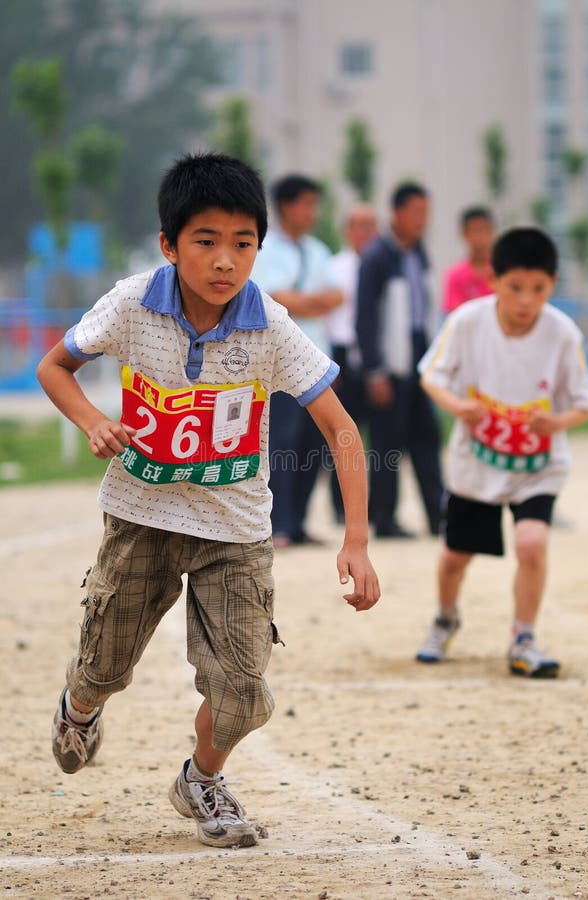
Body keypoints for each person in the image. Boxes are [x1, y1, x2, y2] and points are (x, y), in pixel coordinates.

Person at [37, 152, 380, 849]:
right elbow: (56, 365)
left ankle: (201, 778)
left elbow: (342, 430)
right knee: (106, 666)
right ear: (169, 245)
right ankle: (79, 706)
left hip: (236, 529)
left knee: (244, 691)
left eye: (243, 243)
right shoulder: (133, 303)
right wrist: (93, 422)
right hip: (141, 517)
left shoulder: (270, 327)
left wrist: (357, 541)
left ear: (260, 246)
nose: (226, 261)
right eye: (206, 241)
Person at [416, 227, 588, 677]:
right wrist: (460, 406)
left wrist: (556, 422)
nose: (525, 300)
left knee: (531, 542)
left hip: (537, 466)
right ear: (494, 280)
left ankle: (524, 638)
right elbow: (431, 376)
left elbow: (586, 401)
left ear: (552, 285)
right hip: (476, 462)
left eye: (538, 289)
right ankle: (445, 617)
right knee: (456, 556)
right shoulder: (467, 322)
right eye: (515, 287)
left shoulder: (562, 333)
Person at [250, 174, 343, 548]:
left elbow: (337, 296)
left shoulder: (318, 250)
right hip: (278, 365)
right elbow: (275, 300)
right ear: (287, 206)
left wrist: (303, 301)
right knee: (281, 444)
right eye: (307, 203)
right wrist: (310, 302)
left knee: (314, 445)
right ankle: (278, 524)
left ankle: (299, 522)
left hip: (317, 361)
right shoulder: (264, 249)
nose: (313, 212)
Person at [356, 181, 444, 538]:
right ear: (397, 213)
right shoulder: (377, 257)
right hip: (388, 364)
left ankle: (438, 516)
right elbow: (365, 317)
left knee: (427, 436)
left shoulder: (419, 252)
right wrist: (375, 371)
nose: (423, 219)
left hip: (421, 356)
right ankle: (384, 519)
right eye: (416, 211)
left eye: (426, 212)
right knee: (386, 445)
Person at [327, 204, 379, 523]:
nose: (365, 232)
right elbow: (330, 318)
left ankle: (375, 508)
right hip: (341, 354)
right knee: (343, 434)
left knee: (379, 439)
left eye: (371, 226)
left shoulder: (384, 266)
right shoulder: (334, 268)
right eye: (359, 226)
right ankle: (338, 507)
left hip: (373, 357)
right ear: (347, 230)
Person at [442, 206, 495, 314]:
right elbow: (454, 312)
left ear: (492, 232)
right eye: (475, 230)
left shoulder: (502, 272)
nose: (480, 236)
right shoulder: (455, 275)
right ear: (464, 234)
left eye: (484, 230)